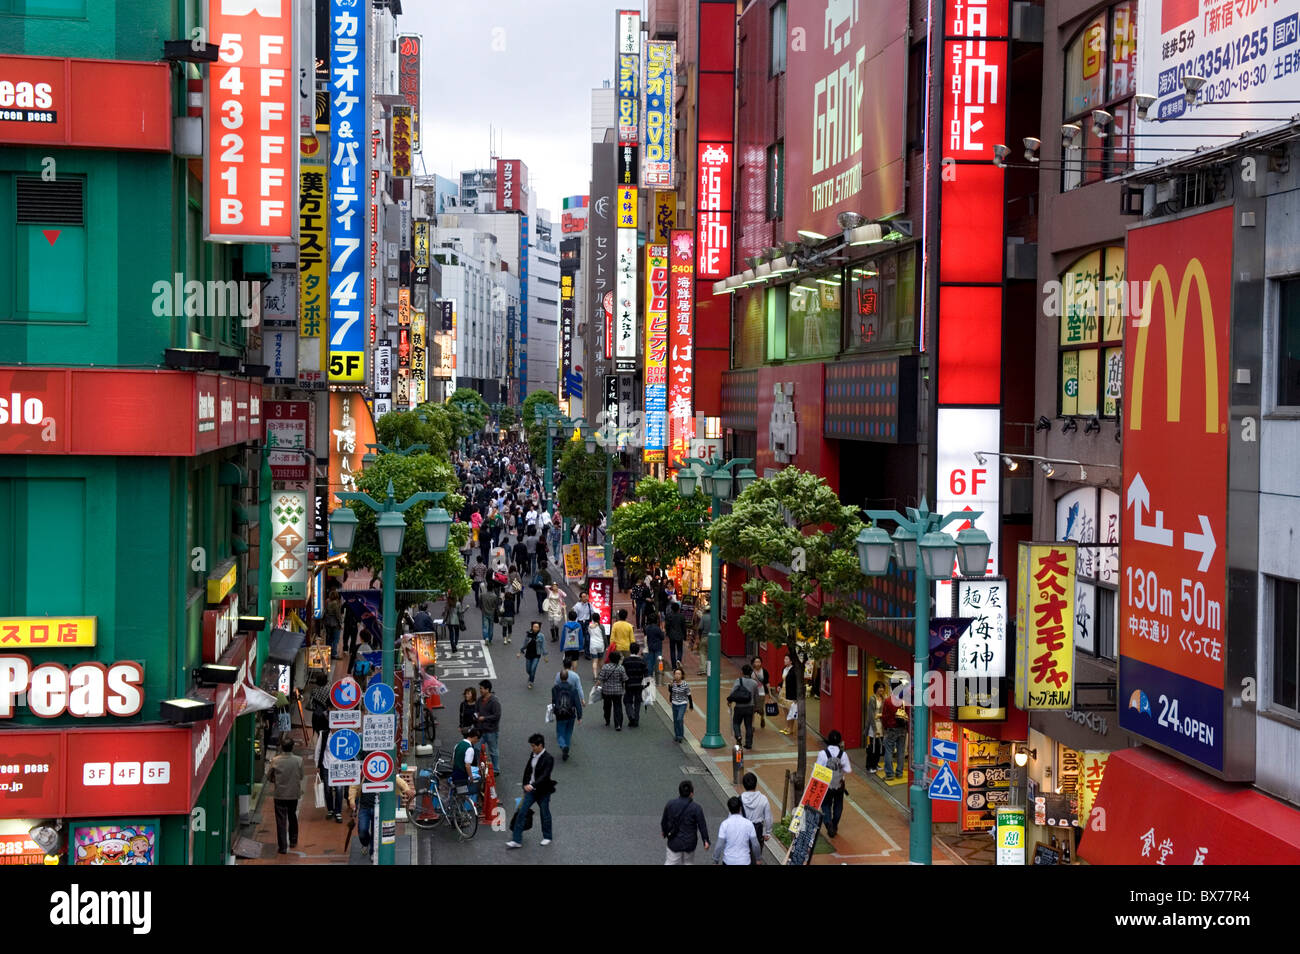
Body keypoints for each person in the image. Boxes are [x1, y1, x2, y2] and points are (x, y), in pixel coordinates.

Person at [506, 733, 556, 848]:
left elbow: (545, 775)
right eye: (532, 746)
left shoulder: (549, 758)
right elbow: (528, 770)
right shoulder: (533, 755)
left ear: (541, 745)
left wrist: (532, 785)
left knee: (544, 813)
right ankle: (516, 840)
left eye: (534, 746)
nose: (532, 748)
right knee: (522, 811)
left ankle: (547, 836)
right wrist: (525, 784)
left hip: (543, 791)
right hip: (531, 791)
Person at [266, 737, 303, 854]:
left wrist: (276, 780)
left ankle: (282, 847)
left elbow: (268, 776)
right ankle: (293, 840)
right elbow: (301, 776)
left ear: (281, 747)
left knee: (281, 820)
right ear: (292, 747)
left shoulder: (275, 760)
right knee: (292, 815)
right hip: (293, 793)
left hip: (280, 794)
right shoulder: (299, 760)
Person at [661, 780, 710, 864]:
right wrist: (705, 840)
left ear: (679, 791)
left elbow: (664, 820)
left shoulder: (670, 804)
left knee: (671, 862)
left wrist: (664, 832)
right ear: (691, 793)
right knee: (688, 862)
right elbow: (702, 825)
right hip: (689, 842)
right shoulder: (696, 808)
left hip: (674, 841)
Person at [816, 730, 852, 838]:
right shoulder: (843, 754)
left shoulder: (822, 754)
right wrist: (840, 772)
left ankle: (828, 823)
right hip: (839, 785)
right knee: (838, 805)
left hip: (826, 785)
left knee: (825, 804)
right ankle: (835, 824)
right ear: (840, 742)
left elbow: (818, 769)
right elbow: (848, 769)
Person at [714, 796, 762, 865]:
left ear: (729, 810)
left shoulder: (724, 824)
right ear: (740, 808)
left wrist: (715, 860)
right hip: (745, 861)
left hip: (728, 861)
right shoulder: (748, 824)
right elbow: (755, 844)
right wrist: (758, 858)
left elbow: (719, 844)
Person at [551, 665, 583, 761]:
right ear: (567, 677)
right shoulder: (573, 689)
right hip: (571, 713)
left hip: (560, 713)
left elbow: (554, 701)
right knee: (569, 732)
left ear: (560, 677)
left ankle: (563, 745)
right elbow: (577, 703)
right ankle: (566, 748)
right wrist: (579, 716)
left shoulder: (555, 688)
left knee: (560, 732)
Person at [727, 664, 761, 750]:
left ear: (742, 672)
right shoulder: (754, 683)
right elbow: (757, 696)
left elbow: (733, 692)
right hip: (750, 707)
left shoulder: (738, 681)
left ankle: (738, 736)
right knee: (749, 725)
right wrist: (757, 707)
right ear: (751, 673)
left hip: (739, 706)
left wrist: (729, 700)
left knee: (736, 723)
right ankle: (748, 744)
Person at [882, 683, 909, 780]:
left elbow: (884, 716)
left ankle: (890, 774)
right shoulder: (904, 701)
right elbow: (908, 714)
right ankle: (899, 772)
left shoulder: (888, 701)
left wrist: (885, 727)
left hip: (891, 728)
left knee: (889, 750)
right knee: (901, 751)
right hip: (902, 729)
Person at [475, 680, 502, 771]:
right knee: (477, 748)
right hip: (481, 731)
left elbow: (497, 715)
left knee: (493, 751)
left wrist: (484, 718)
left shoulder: (494, 701)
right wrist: (476, 716)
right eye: (480, 688)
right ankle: (479, 766)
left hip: (491, 731)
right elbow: (476, 710)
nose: (480, 690)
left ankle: (495, 769)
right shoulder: (479, 700)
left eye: (482, 689)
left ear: (487, 689)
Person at [598, 650, 628, 730]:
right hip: (618, 691)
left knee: (607, 706)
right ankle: (618, 724)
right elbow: (625, 679)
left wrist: (596, 686)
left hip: (606, 691)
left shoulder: (605, 667)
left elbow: (600, 678)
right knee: (617, 706)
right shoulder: (621, 668)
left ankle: (607, 719)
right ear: (618, 659)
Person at [622, 642, 649, 727]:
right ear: (638, 651)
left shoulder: (626, 661)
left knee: (627, 701)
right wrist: (646, 684)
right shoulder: (642, 661)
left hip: (629, 684)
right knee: (638, 702)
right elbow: (646, 674)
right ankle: (636, 720)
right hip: (639, 685)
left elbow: (623, 672)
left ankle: (631, 715)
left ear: (630, 650)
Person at [741, 772, 773, 842]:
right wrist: (768, 833)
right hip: (758, 832)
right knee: (757, 852)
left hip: (743, 834)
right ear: (756, 783)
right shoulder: (763, 799)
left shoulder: (740, 799)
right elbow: (768, 818)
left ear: (744, 785)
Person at [866, 680, 887, 774]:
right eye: (879, 688)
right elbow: (871, 715)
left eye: (882, 687)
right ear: (876, 689)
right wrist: (875, 729)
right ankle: (870, 765)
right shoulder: (872, 699)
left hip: (881, 725)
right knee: (873, 746)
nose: (881, 689)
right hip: (873, 725)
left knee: (880, 746)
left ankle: (876, 763)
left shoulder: (883, 698)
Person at [519, 620, 548, 688]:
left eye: (537, 627)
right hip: (528, 654)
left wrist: (545, 656)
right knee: (528, 670)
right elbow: (525, 643)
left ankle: (531, 682)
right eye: (534, 627)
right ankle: (531, 676)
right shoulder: (528, 634)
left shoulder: (541, 636)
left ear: (539, 628)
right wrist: (521, 651)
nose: (535, 628)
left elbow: (543, 646)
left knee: (533, 669)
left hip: (536, 655)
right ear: (532, 627)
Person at [669, 666, 693, 743]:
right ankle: (676, 735)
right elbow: (671, 692)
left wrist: (691, 705)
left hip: (682, 703)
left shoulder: (685, 684)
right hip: (674, 703)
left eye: (679, 674)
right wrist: (670, 686)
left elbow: (689, 694)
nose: (677, 675)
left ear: (682, 675)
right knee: (675, 720)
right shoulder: (673, 683)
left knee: (679, 719)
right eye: (676, 674)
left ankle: (681, 735)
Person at [643, 610, 665, 685]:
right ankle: (659, 679)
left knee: (650, 662)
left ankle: (650, 678)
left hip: (650, 647)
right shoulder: (657, 628)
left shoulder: (647, 628)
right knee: (659, 663)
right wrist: (662, 631)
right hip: (658, 647)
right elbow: (662, 637)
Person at [664, 601, 687, 671]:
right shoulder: (682, 616)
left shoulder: (668, 616)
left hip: (672, 635)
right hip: (680, 635)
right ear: (678, 609)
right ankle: (679, 660)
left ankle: (673, 666)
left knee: (672, 650)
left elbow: (667, 626)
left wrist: (667, 633)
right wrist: (685, 635)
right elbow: (684, 627)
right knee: (680, 649)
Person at [781, 653, 800, 736]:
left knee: (791, 711)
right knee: (785, 710)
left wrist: (796, 697)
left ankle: (791, 728)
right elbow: (783, 680)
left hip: (791, 693)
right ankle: (787, 726)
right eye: (784, 659)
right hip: (783, 692)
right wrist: (779, 685)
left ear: (791, 661)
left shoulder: (794, 670)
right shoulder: (784, 669)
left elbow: (796, 684)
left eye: (786, 659)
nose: (784, 660)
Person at [323, 590, 344, 659]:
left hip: (327, 622)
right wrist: (341, 622)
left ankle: (327, 653)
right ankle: (334, 654)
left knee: (329, 638)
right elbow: (337, 614)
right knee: (335, 639)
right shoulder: (335, 603)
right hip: (334, 623)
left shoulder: (327, 601)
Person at [752, 655, 770, 730]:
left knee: (760, 709)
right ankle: (752, 725)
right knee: (752, 709)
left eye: (759, 662)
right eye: (756, 662)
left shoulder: (764, 672)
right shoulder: (751, 672)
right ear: (753, 663)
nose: (758, 663)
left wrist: (769, 695)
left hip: (761, 693)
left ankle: (762, 717)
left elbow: (767, 683)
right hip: (752, 693)